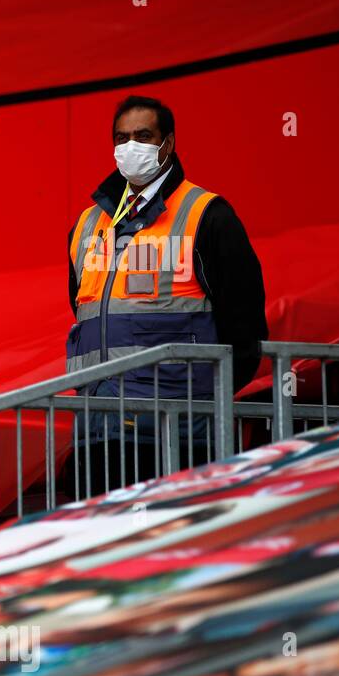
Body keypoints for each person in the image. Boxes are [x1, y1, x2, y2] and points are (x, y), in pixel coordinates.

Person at [64, 95, 268, 495]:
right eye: (121, 138)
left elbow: (244, 329)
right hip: (98, 431)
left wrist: (202, 403)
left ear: (167, 145)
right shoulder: (87, 225)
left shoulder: (207, 215)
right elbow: (84, 314)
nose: (130, 147)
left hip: (179, 436)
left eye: (143, 135)